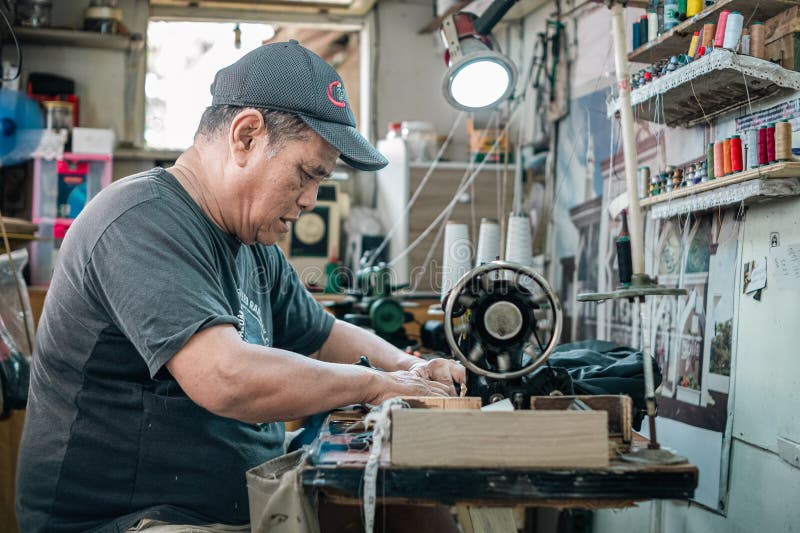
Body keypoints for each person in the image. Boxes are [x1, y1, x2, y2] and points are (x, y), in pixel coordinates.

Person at [16, 40, 465, 532]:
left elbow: (322, 336)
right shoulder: (140, 221)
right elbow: (225, 377)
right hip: (137, 521)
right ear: (246, 136)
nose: (313, 199)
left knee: (422, 516)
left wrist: (412, 367)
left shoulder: (253, 242)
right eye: (306, 174)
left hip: (243, 501)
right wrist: (375, 383)